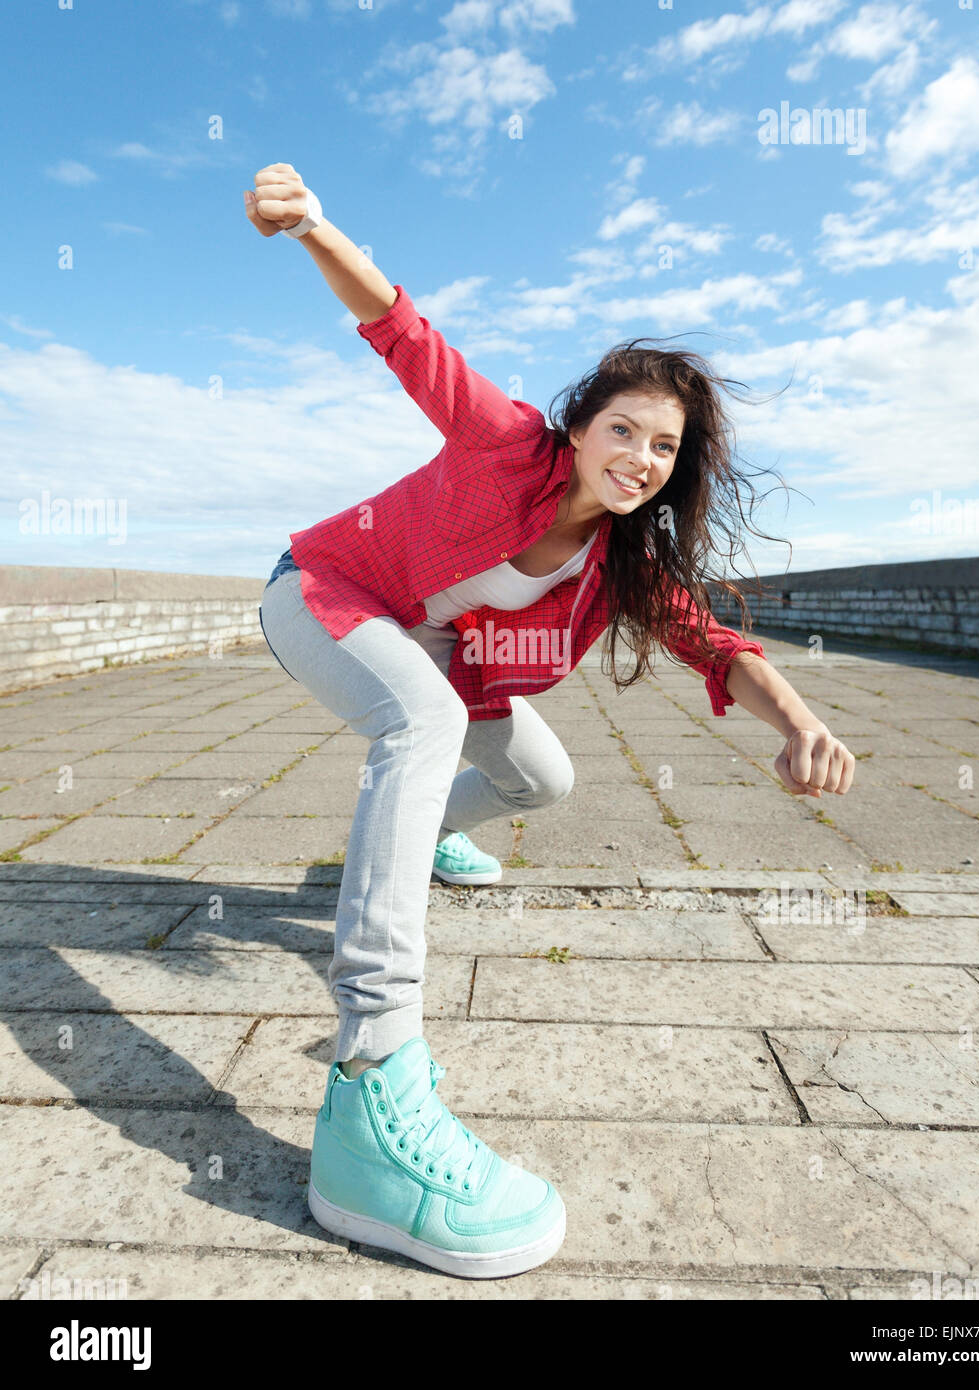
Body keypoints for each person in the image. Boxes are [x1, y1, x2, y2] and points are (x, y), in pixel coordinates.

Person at [244, 164, 855, 1280]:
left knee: (544, 776)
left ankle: (408, 836)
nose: (640, 458)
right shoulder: (505, 442)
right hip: (325, 590)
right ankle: (375, 1073)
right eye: (626, 430)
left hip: (443, 658)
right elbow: (400, 325)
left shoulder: (625, 563)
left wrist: (797, 719)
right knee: (420, 722)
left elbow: (718, 644)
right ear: (581, 427)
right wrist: (315, 226)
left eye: (663, 450)